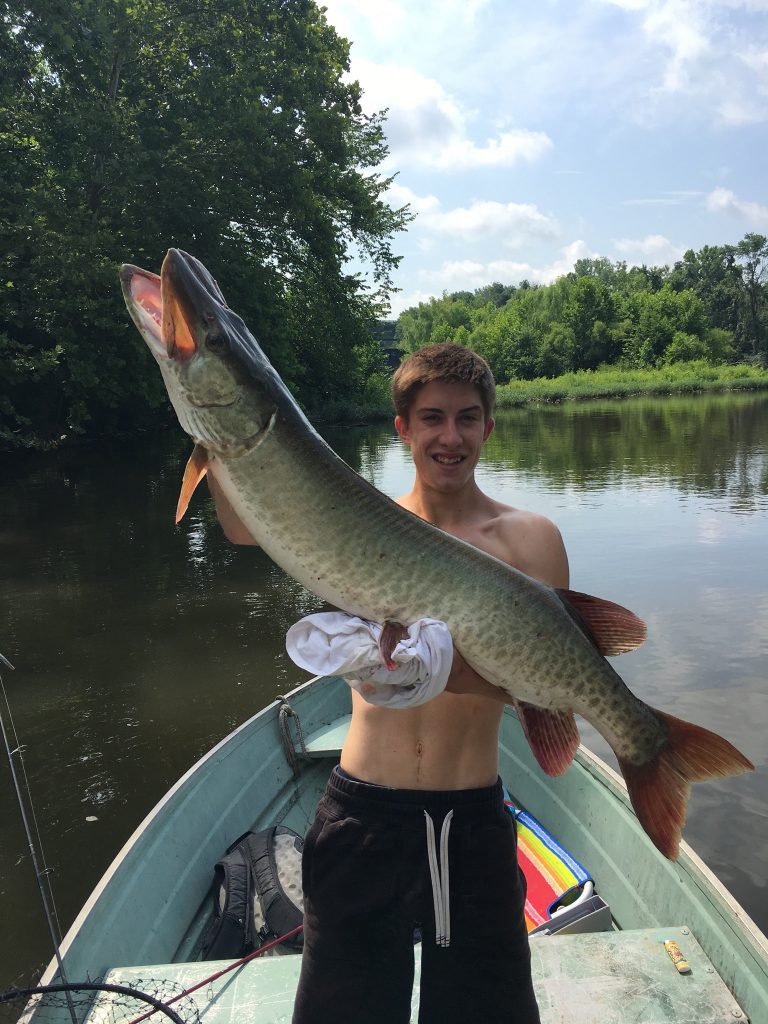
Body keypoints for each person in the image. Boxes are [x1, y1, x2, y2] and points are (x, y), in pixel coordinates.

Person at [211, 343, 569, 1023]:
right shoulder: (352, 519)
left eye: (467, 418)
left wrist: (453, 673)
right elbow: (238, 523)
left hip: (472, 825)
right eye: (431, 417)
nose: (450, 436)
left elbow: (547, 688)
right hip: (362, 818)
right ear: (401, 428)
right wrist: (209, 426)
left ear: (489, 427)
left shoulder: (532, 542)